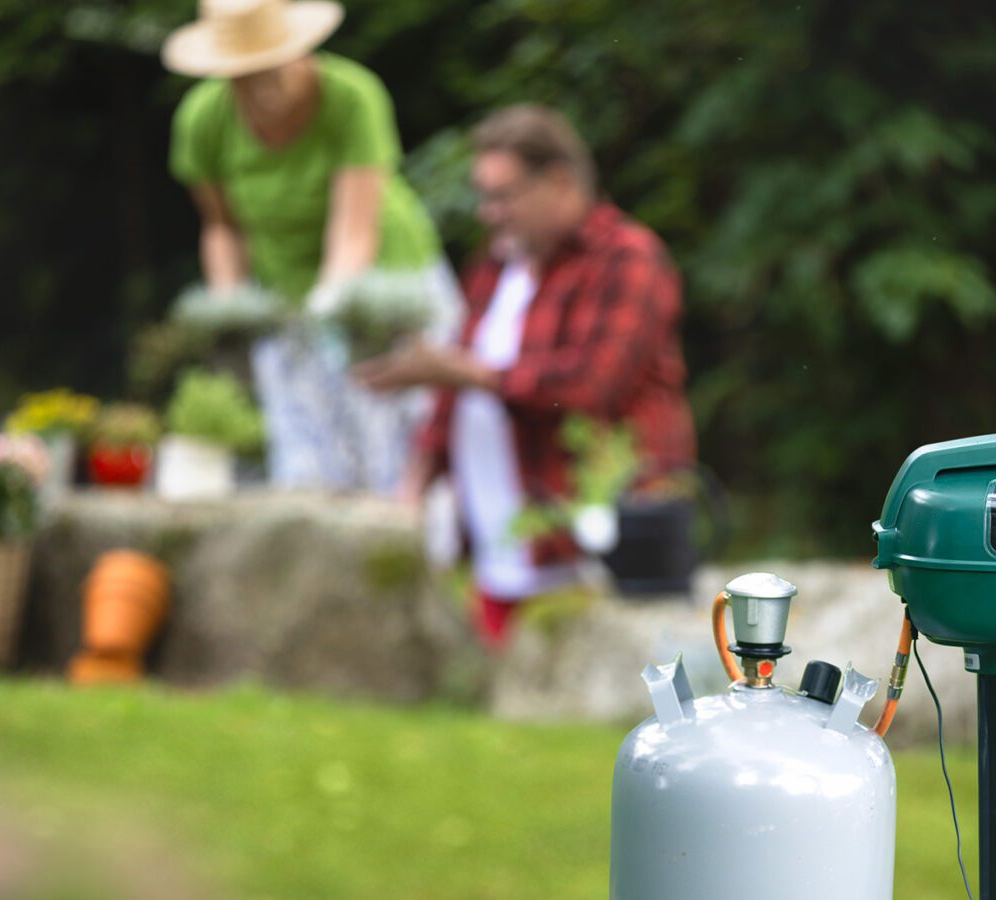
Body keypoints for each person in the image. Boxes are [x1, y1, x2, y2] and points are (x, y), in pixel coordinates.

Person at [355, 104, 697, 647]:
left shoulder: (628, 258)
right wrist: (414, 486)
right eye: (483, 195)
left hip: (593, 556)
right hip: (498, 555)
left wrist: (463, 372)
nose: (488, 213)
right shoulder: (495, 266)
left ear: (559, 182)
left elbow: (589, 387)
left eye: (502, 195)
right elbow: (455, 390)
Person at [163, 0, 457, 492]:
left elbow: (353, 227)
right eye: (245, 74)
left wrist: (332, 301)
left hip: (384, 285)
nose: (262, 87)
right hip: (284, 295)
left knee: (396, 440)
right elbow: (222, 228)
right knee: (306, 454)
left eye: (272, 68)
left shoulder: (350, 96)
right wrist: (233, 307)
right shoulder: (203, 120)